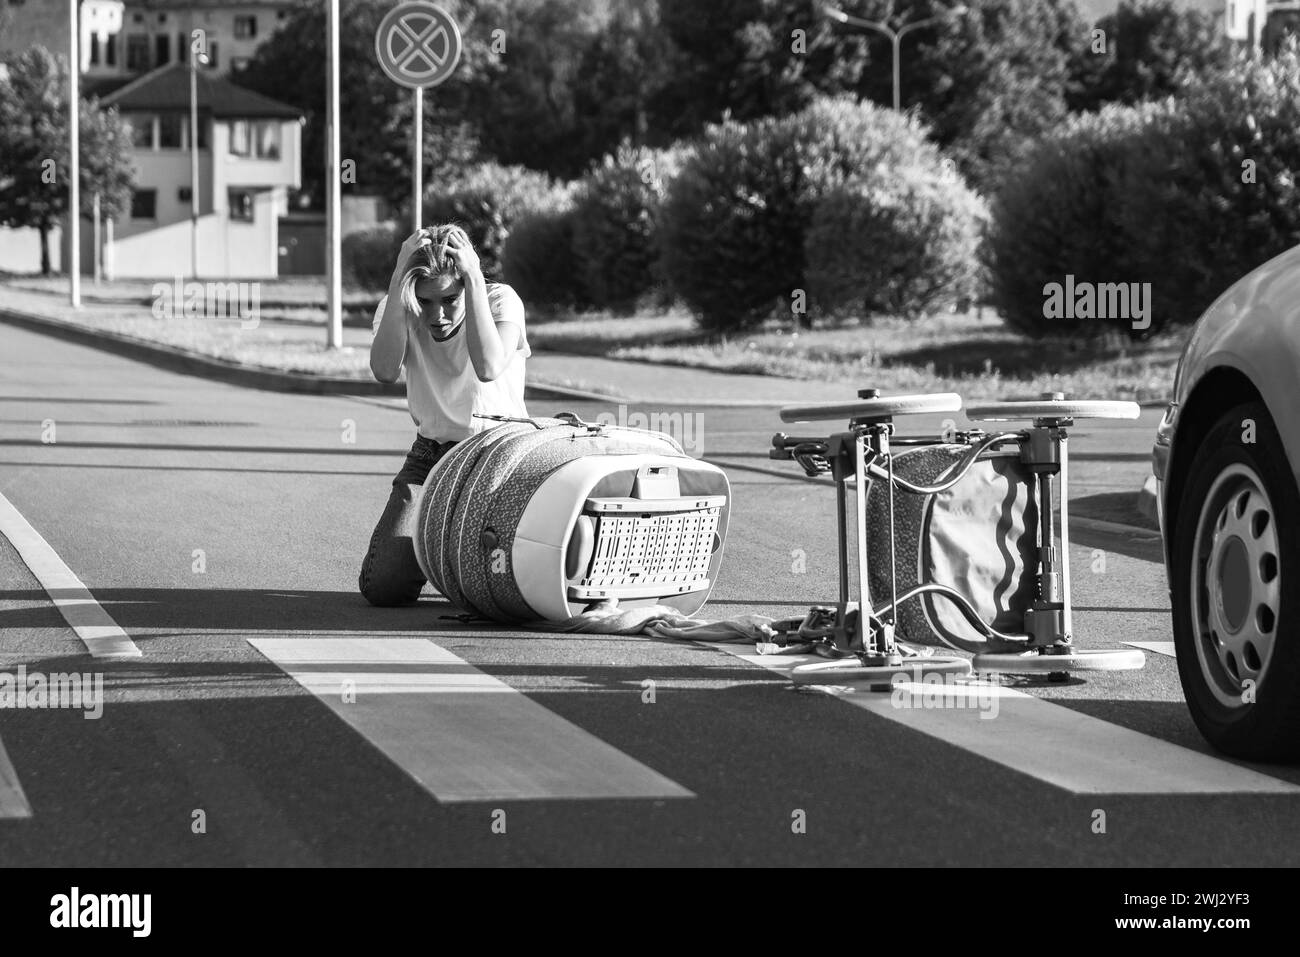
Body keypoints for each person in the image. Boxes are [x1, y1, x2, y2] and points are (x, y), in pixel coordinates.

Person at [359, 224, 530, 605]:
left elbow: (487, 366)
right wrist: (397, 279)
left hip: (496, 454)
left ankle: (451, 554)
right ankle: (438, 551)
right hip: (431, 455)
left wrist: (471, 280)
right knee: (384, 587)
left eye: (449, 299)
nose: (436, 315)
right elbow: (385, 371)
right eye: (426, 301)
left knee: (500, 589)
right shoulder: (401, 306)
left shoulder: (500, 300)